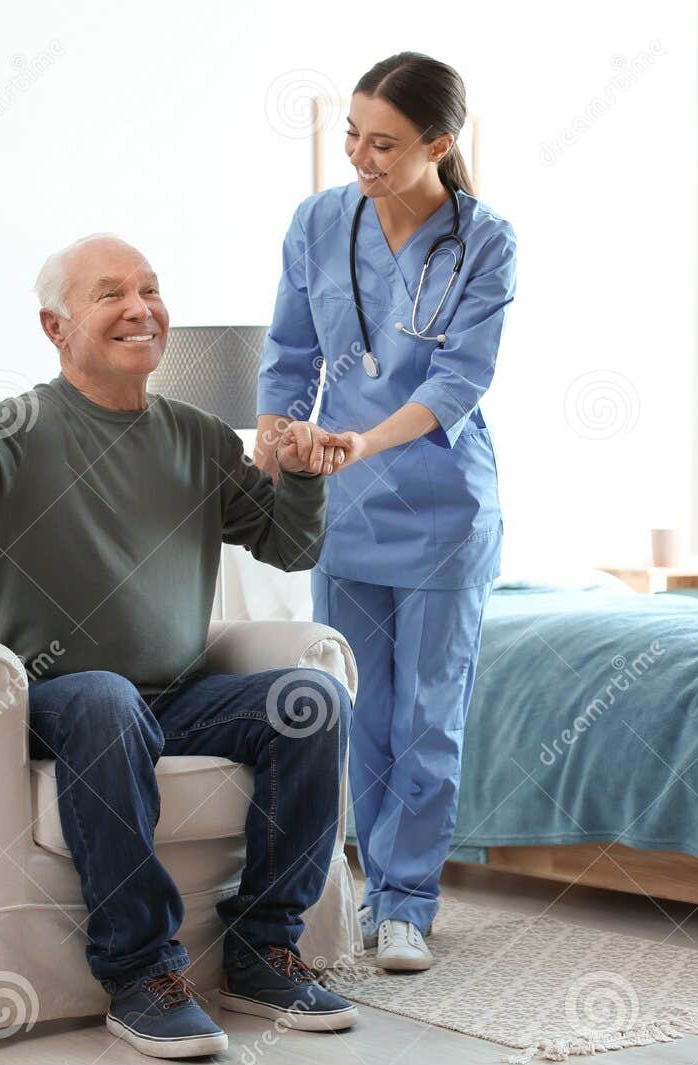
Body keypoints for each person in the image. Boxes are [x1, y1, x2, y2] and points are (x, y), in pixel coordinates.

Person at [0, 234, 359, 1059]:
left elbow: (288, 544)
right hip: (62, 701)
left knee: (310, 702)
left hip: (176, 698)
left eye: (150, 289)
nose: (140, 308)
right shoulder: (18, 425)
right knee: (106, 696)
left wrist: (305, 475)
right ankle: (141, 972)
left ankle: (262, 945)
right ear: (55, 327)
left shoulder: (200, 439)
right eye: (111, 294)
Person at [255, 53, 518, 972]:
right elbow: (289, 353)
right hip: (346, 509)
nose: (361, 158)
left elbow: (459, 381)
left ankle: (407, 903)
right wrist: (277, 435)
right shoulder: (319, 222)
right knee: (356, 710)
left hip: (443, 508)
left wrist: (361, 443)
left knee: (427, 716)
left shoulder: (485, 239)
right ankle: (367, 889)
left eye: (384, 143)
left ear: (440, 146)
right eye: (352, 138)